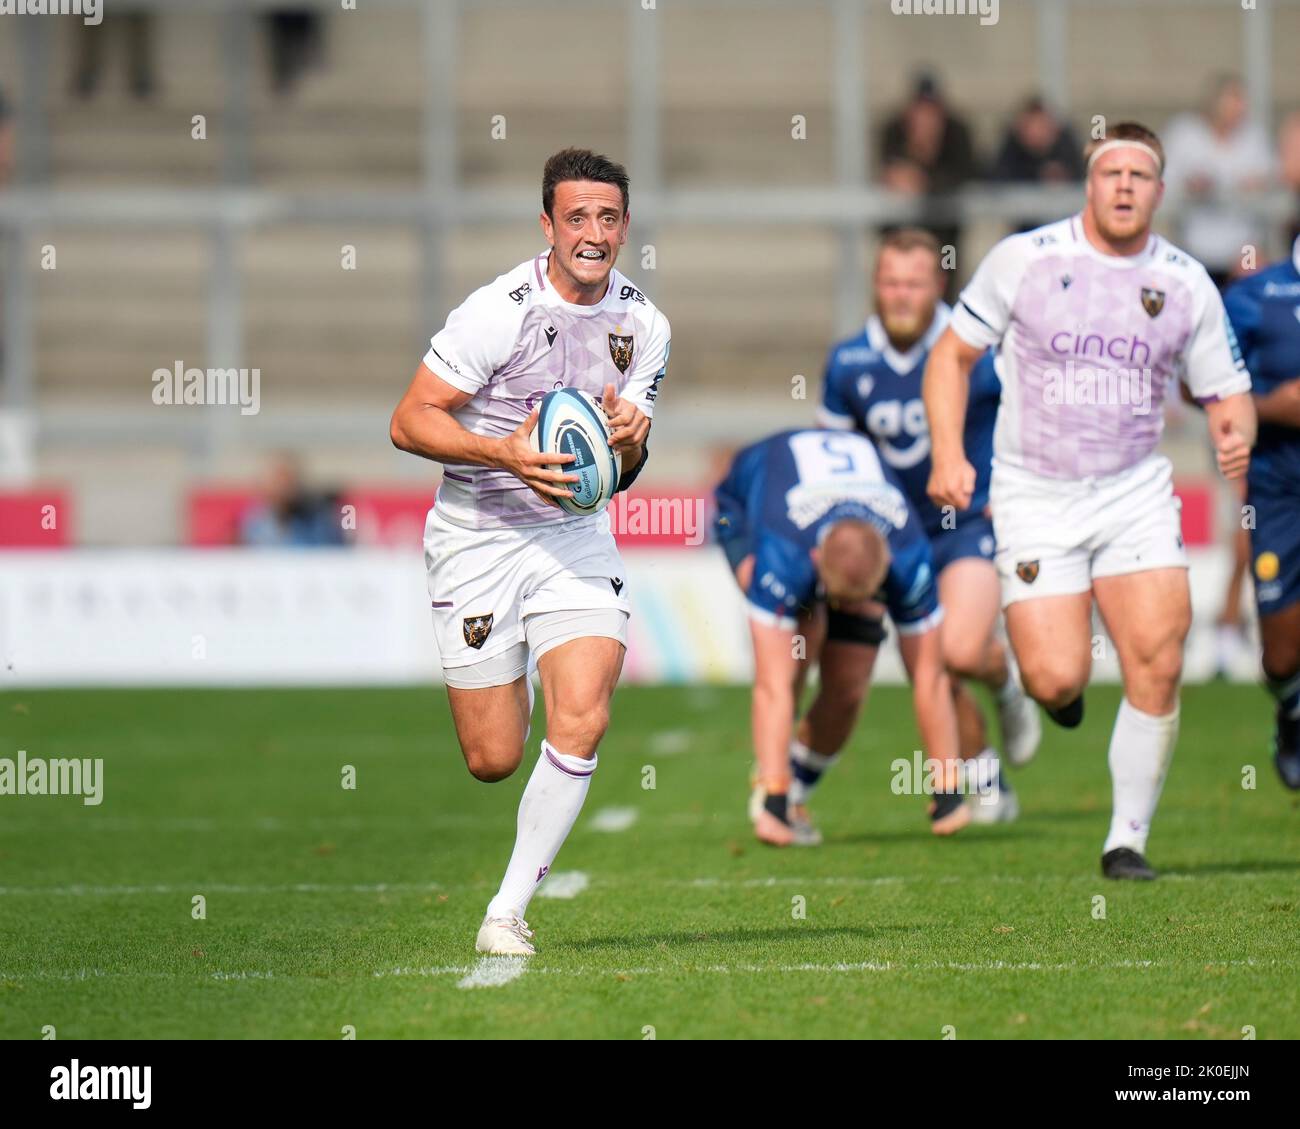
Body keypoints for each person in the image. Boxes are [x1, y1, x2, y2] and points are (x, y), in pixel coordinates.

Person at [924, 121, 1256, 881]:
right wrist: (949, 453)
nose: (1126, 187)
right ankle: (1044, 690)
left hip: (1135, 490)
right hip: (1036, 492)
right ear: (1091, 183)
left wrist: (1232, 433)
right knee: (1057, 677)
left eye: (1141, 176)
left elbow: (1227, 393)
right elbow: (952, 354)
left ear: (1160, 192)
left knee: (1158, 660)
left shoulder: (1184, 281)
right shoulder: (1027, 260)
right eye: (1114, 173)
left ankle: (1126, 839)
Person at [389, 149, 669, 955]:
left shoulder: (645, 326)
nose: (592, 233)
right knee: (493, 757)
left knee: (583, 712)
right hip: (478, 533)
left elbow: (623, 469)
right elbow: (409, 421)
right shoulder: (497, 312)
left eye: (607, 217)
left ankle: (506, 910)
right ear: (547, 225)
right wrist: (505, 452)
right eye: (576, 217)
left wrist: (631, 446)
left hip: (571, 537)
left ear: (624, 227)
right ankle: (525, 702)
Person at [819, 229, 1041, 824]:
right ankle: (985, 773)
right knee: (930, 663)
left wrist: (1014, 485)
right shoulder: (848, 362)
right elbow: (837, 460)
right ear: (875, 284)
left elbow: (1028, 415)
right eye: (890, 281)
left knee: (961, 651)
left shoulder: (974, 347)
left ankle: (1007, 687)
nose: (900, 295)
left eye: (913, 283)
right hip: (893, 540)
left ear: (938, 284)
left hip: (966, 523)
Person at [714, 428, 972, 846]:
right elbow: (770, 687)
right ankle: (775, 791)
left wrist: (947, 791)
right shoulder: (784, 554)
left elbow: (930, 676)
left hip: (843, 527)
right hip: (740, 510)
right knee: (795, 654)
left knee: (849, 686)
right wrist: (772, 806)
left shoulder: (907, 551)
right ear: (816, 563)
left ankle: (794, 789)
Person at [1223, 237, 1300, 788]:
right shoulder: (1254, 295)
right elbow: (1205, 386)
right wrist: (1276, 405)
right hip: (1278, 490)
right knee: (1280, 655)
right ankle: (1292, 711)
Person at [1162, 75, 1275, 290]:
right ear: (1215, 102)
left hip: (1243, 251)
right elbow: (1164, 179)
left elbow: (1268, 181)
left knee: (1247, 301)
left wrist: (1251, 185)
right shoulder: (1184, 133)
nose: (1241, 107)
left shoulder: (1253, 136)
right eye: (1234, 99)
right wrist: (1191, 185)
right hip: (1192, 249)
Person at [240, 453, 346, 548]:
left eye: (286, 480)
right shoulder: (253, 523)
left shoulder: (318, 522)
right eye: (276, 481)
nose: (281, 488)